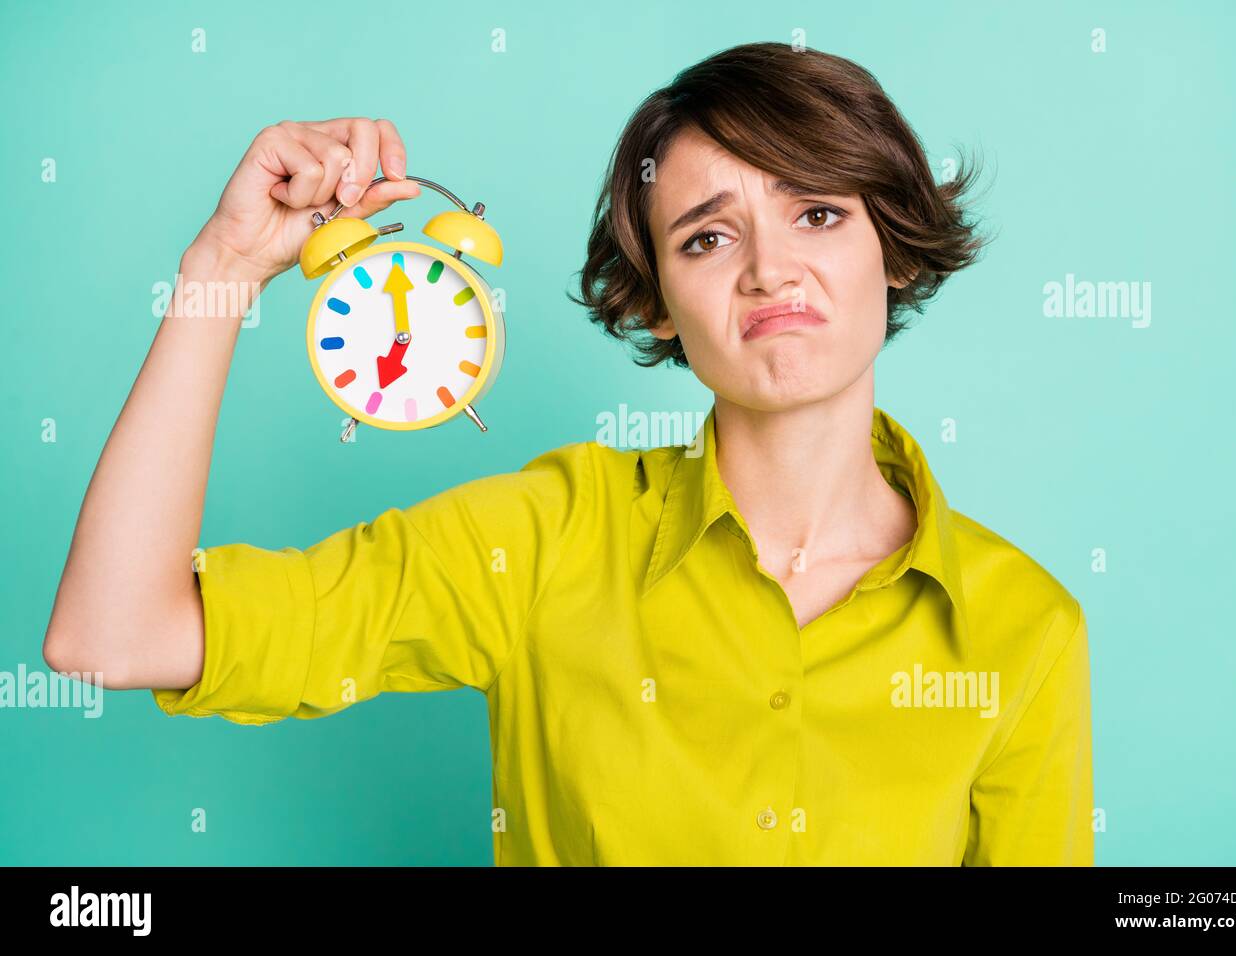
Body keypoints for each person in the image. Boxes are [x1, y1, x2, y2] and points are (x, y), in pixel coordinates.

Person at [43, 41, 1093, 866]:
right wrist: (223, 268)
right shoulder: (544, 538)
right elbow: (112, 635)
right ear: (660, 304)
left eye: (817, 212)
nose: (771, 269)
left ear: (892, 252)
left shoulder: (1025, 628)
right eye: (707, 237)